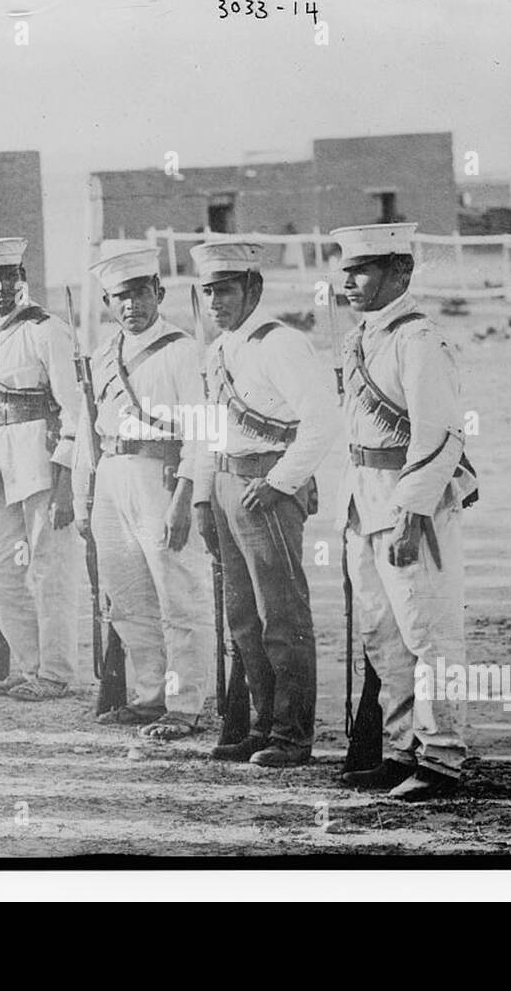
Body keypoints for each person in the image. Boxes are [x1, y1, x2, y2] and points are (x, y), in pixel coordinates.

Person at [330, 223, 479, 800]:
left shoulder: (419, 340)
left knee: (428, 631)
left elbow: (440, 434)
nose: (350, 282)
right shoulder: (360, 339)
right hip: (363, 500)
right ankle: (399, 750)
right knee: (383, 635)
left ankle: (442, 758)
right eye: (345, 271)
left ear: (402, 273)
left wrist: (413, 509)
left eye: (363, 270)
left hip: (409, 501)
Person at [191, 240, 339, 767]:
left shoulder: (282, 344)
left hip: (267, 488)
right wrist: (203, 497)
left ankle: (292, 735)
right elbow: (211, 431)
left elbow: (322, 421)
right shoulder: (219, 350)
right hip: (229, 484)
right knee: (244, 619)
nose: (215, 302)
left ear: (253, 287)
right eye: (207, 291)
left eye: (225, 290)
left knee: (283, 617)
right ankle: (260, 725)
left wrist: (279, 483)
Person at [76, 247, 213, 738]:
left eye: (139, 293)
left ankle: (185, 702)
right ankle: (150, 694)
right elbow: (86, 431)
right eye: (119, 297)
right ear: (108, 303)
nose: (131, 305)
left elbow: (202, 429)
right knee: (127, 596)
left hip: (161, 475)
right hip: (112, 475)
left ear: (158, 292)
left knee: (178, 591)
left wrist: (187, 496)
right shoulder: (101, 355)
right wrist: (81, 498)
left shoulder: (182, 350)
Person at [0, 237, 82, 702]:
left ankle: (55, 673)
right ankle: (33, 664)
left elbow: (73, 409)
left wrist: (68, 478)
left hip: (42, 459)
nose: (1, 286)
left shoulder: (47, 329)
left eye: (9, 275)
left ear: (23, 278)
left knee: (51, 570)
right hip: (0, 464)